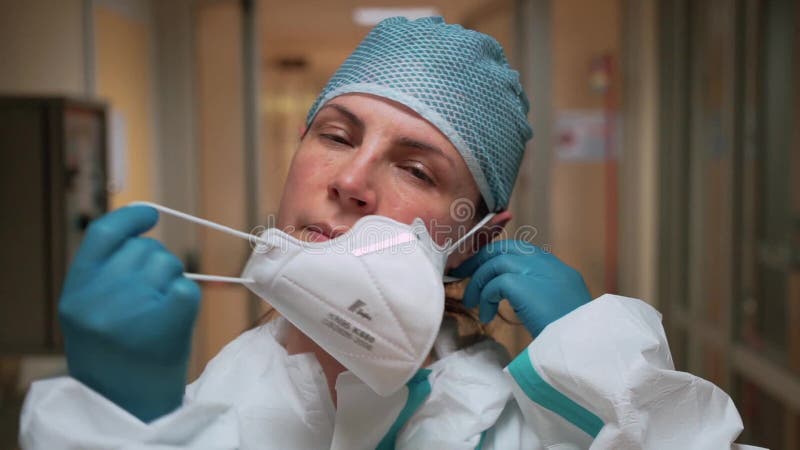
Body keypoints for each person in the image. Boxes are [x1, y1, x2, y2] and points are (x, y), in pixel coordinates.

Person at [20, 17, 758, 449]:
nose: (350, 181)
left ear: (473, 238)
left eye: (417, 169)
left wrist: (606, 364)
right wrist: (121, 418)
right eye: (337, 137)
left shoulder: (540, 426)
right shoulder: (216, 407)